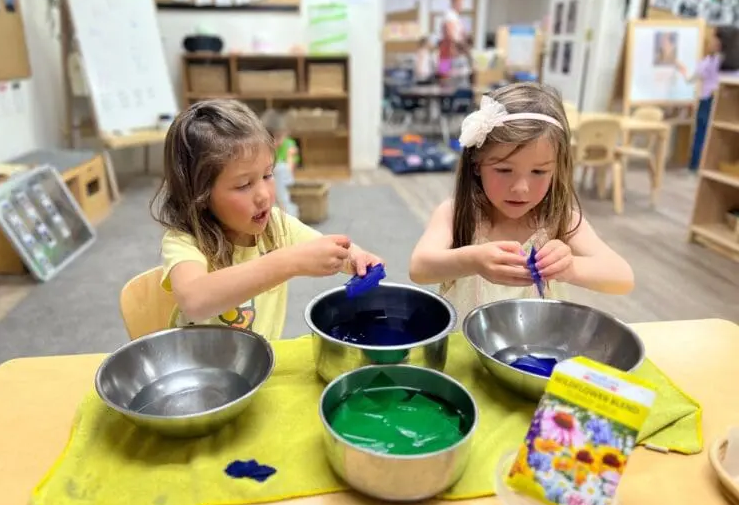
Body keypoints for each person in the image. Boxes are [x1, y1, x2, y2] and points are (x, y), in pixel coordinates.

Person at [152, 99, 383, 340]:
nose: (264, 195)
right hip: (199, 367)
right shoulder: (183, 241)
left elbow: (326, 250)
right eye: (243, 185)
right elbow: (194, 300)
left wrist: (355, 257)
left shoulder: (277, 225)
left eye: (268, 174)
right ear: (199, 195)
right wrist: (287, 262)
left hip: (259, 363)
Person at [409, 83, 634, 326]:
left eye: (539, 171)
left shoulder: (559, 219)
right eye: (504, 170)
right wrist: (473, 260)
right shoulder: (456, 214)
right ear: (476, 165)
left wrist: (570, 267)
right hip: (465, 348)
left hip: (537, 348)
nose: (521, 188)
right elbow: (419, 268)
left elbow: (622, 276)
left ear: (557, 170)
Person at [677, 27, 739, 171]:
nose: (710, 41)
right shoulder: (734, 64)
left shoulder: (711, 60)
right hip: (728, 106)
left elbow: (690, 78)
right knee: (719, 137)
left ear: (720, 42)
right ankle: (712, 166)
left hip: (707, 100)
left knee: (701, 134)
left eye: (713, 37)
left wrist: (681, 68)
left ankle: (695, 165)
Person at [261, 108, 299, 217]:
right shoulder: (263, 146)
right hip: (267, 180)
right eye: (270, 137)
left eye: (278, 137)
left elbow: (289, 170)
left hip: (282, 180)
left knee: (283, 200)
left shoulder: (288, 146)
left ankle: (286, 213)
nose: (274, 142)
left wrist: (290, 157)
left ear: (285, 133)